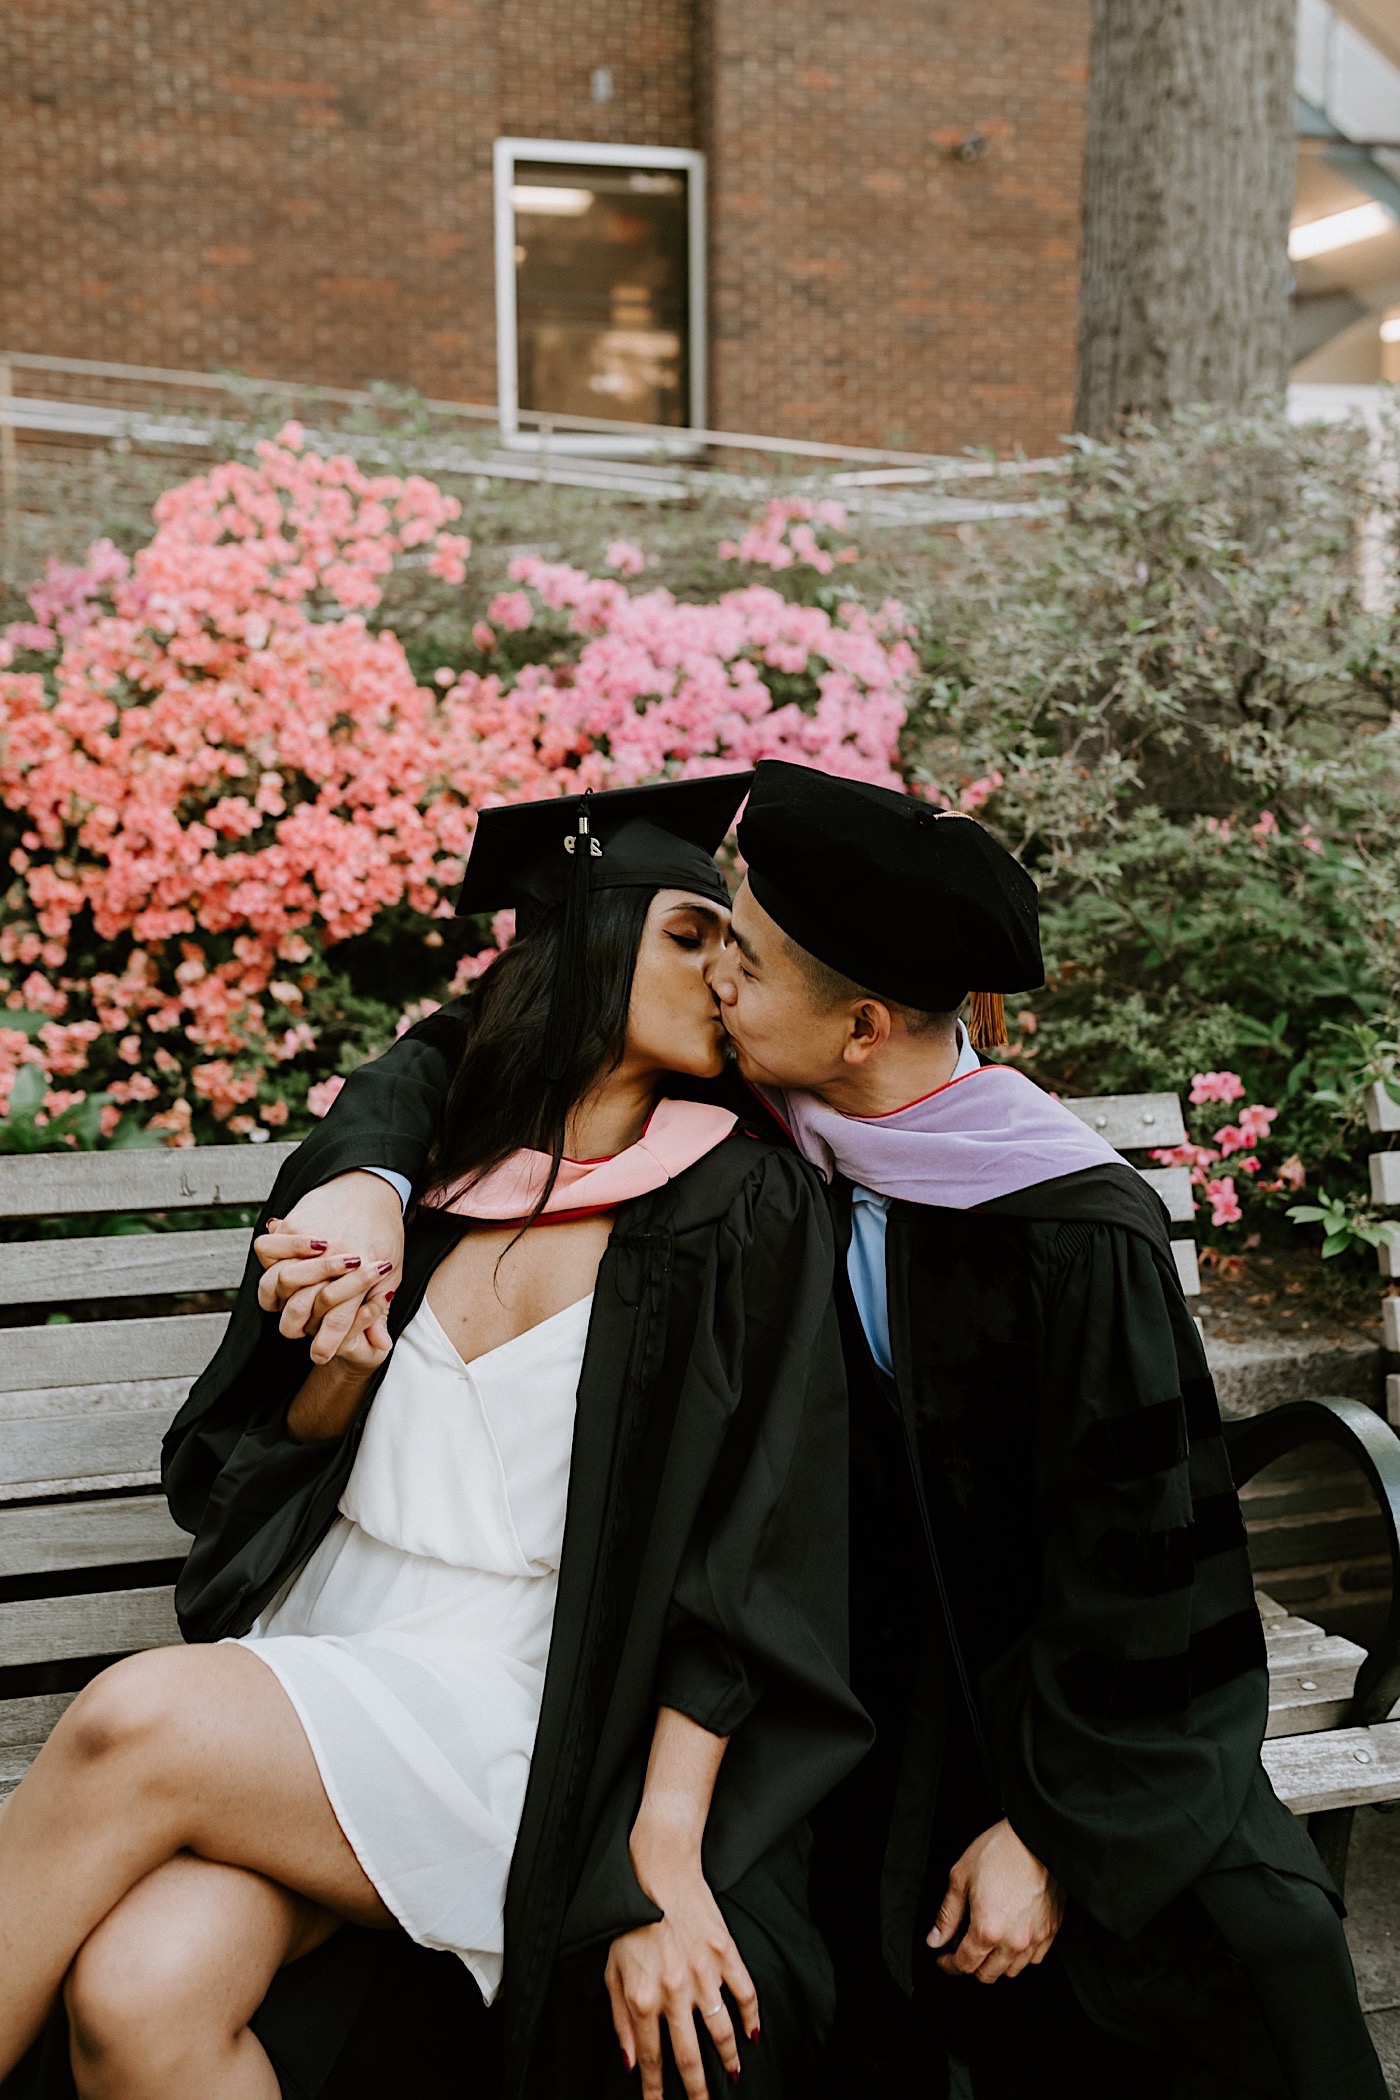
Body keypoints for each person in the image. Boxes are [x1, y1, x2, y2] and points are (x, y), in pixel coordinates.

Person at [256, 760, 1386, 2099]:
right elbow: (460, 1046)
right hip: (796, 1697)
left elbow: (1150, 1572)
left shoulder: (1073, 1234)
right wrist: (372, 1183)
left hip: (1042, 1721)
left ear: (859, 1028)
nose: (712, 975)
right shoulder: (747, 1107)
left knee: (1245, 1968)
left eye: (747, 955)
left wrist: (1053, 1836)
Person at [0, 774, 870, 2100]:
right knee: (140, 1999)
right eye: (691, 936)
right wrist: (340, 1371)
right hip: (334, 1647)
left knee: (132, 1720)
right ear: (586, 941)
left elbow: (758, 1537)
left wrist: (665, 1849)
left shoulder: (733, 1205)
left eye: (737, 947)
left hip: (512, 1704)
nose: (726, 976)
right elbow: (291, 1460)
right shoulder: (439, 1174)